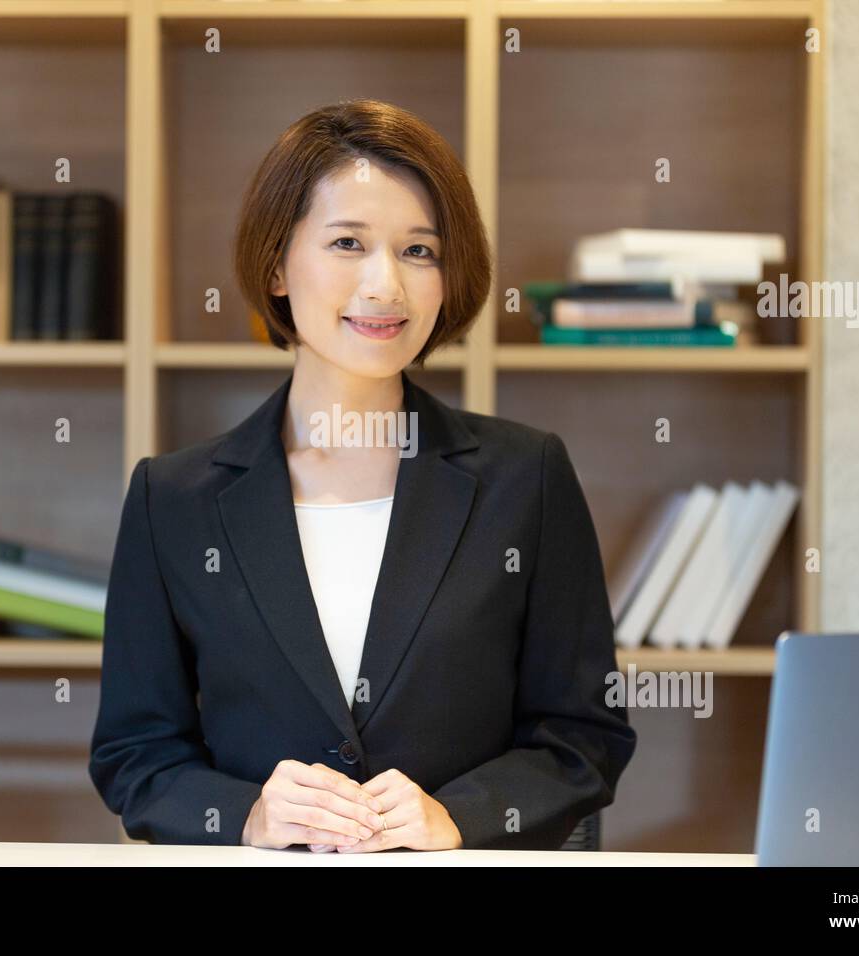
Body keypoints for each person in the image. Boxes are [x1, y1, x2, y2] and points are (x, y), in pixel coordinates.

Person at [89, 98, 636, 852]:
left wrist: (460, 816)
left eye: (420, 251)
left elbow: (583, 735)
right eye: (348, 242)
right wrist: (245, 814)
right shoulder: (173, 499)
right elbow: (134, 755)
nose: (387, 286)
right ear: (277, 264)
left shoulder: (526, 478)